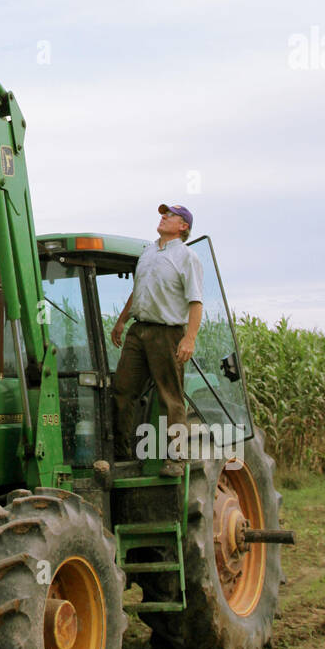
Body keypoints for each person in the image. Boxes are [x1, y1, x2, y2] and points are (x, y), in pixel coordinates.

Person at [110, 204, 203, 476]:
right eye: (163, 213)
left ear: (183, 226)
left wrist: (189, 338)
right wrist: (122, 320)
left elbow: (196, 302)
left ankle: (177, 458)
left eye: (170, 215)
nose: (163, 217)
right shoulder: (148, 253)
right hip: (139, 331)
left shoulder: (187, 257)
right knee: (123, 390)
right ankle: (121, 451)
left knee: (169, 396)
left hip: (167, 333)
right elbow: (138, 290)